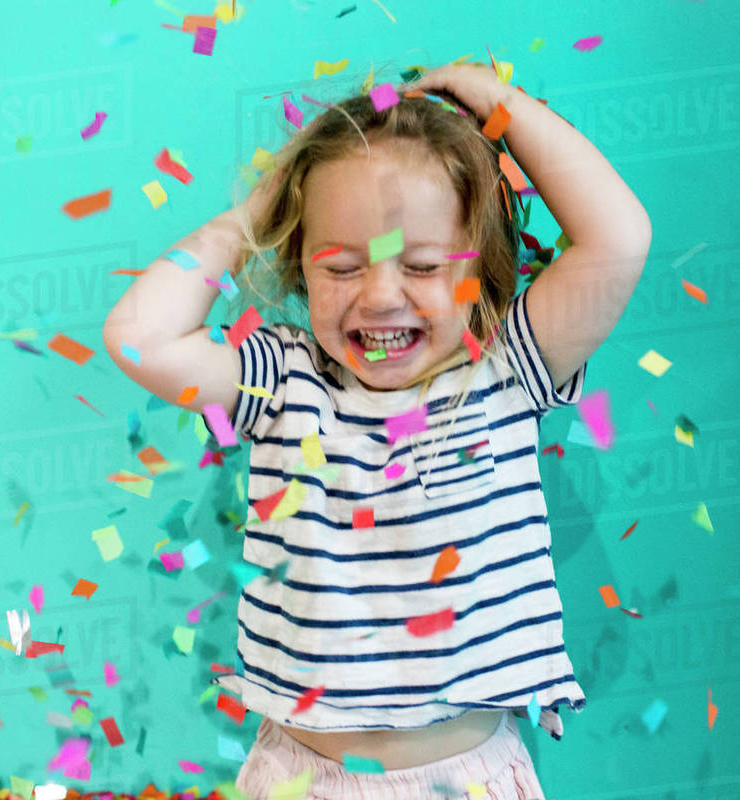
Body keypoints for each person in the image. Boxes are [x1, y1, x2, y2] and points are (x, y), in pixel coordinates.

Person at [104, 60, 651, 799]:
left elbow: (619, 239)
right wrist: (261, 209)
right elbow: (139, 337)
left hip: (467, 780)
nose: (381, 296)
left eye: (422, 266)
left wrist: (501, 106)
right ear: (299, 263)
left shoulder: (507, 369)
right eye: (340, 268)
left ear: (480, 271)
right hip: (298, 779)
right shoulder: (284, 381)